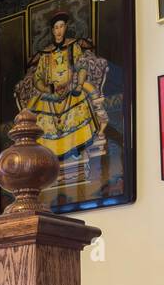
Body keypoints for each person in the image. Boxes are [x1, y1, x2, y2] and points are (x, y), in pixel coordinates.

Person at [15, 11, 108, 182]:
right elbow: (38, 78)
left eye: (61, 27)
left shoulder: (74, 46)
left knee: (79, 102)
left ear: (66, 28)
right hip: (51, 92)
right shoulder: (45, 54)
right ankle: (46, 156)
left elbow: (81, 68)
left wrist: (79, 85)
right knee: (39, 112)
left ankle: (74, 150)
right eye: (55, 28)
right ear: (52, 30)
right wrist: (48, 88)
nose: (58, 31)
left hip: (71, 87)